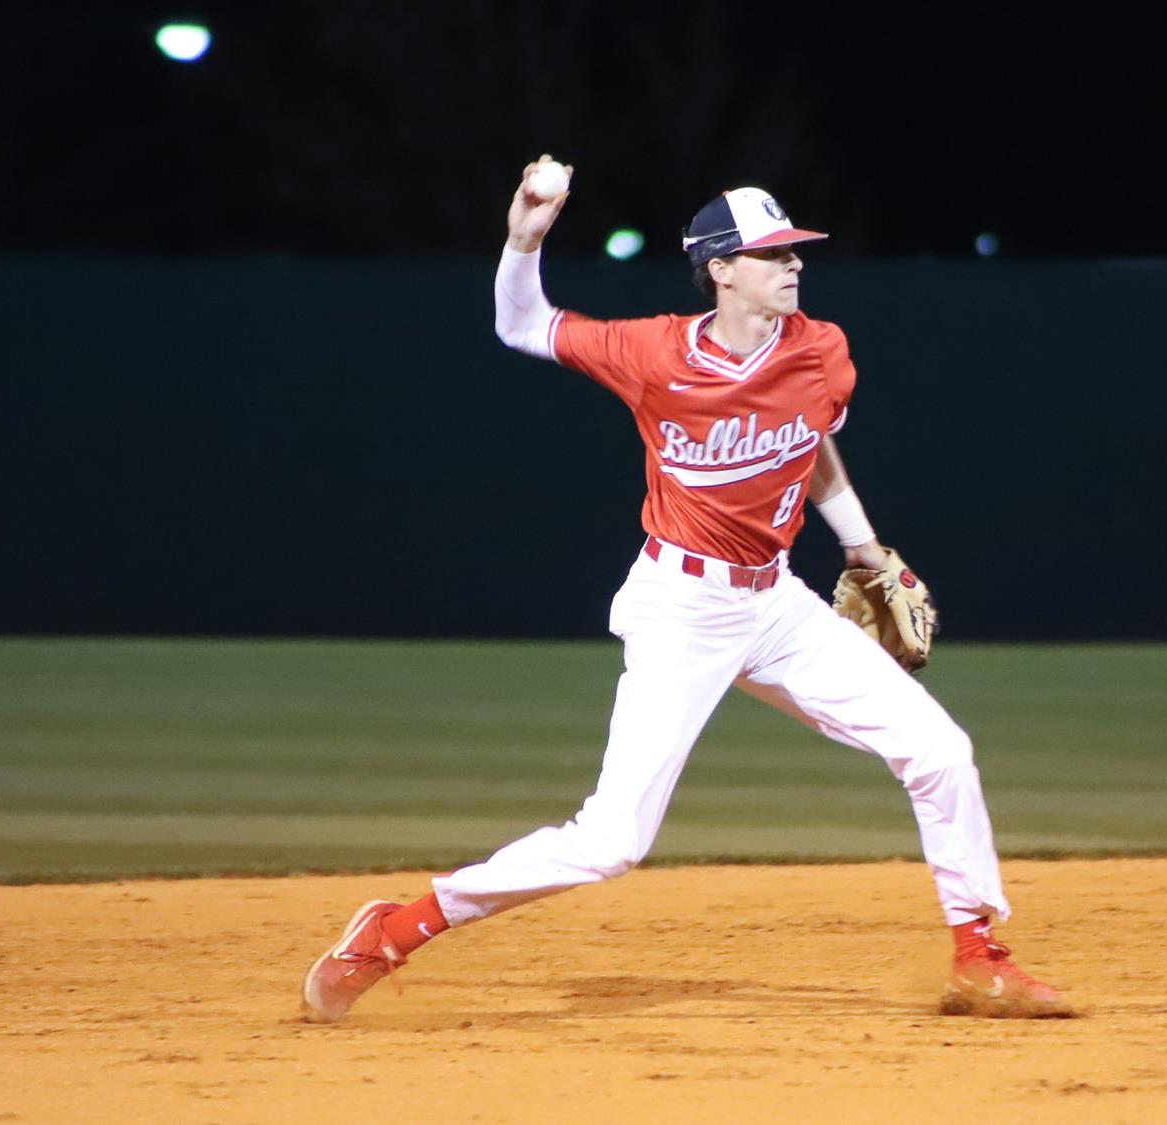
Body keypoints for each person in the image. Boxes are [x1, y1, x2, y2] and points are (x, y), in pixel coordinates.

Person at [300, 156, 1069, 1022]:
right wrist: (524, 236)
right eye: (773, 252)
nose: (794, 263)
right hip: (683, 607)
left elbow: (811, 444)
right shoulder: (652, 351)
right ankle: (396, 927)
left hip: (777, 604)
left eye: (794, 250)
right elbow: (524, 326)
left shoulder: (821, 350)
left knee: (939, 752)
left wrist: (861, 546)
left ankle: (979, 954)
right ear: (721, 269)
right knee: (612, 842)